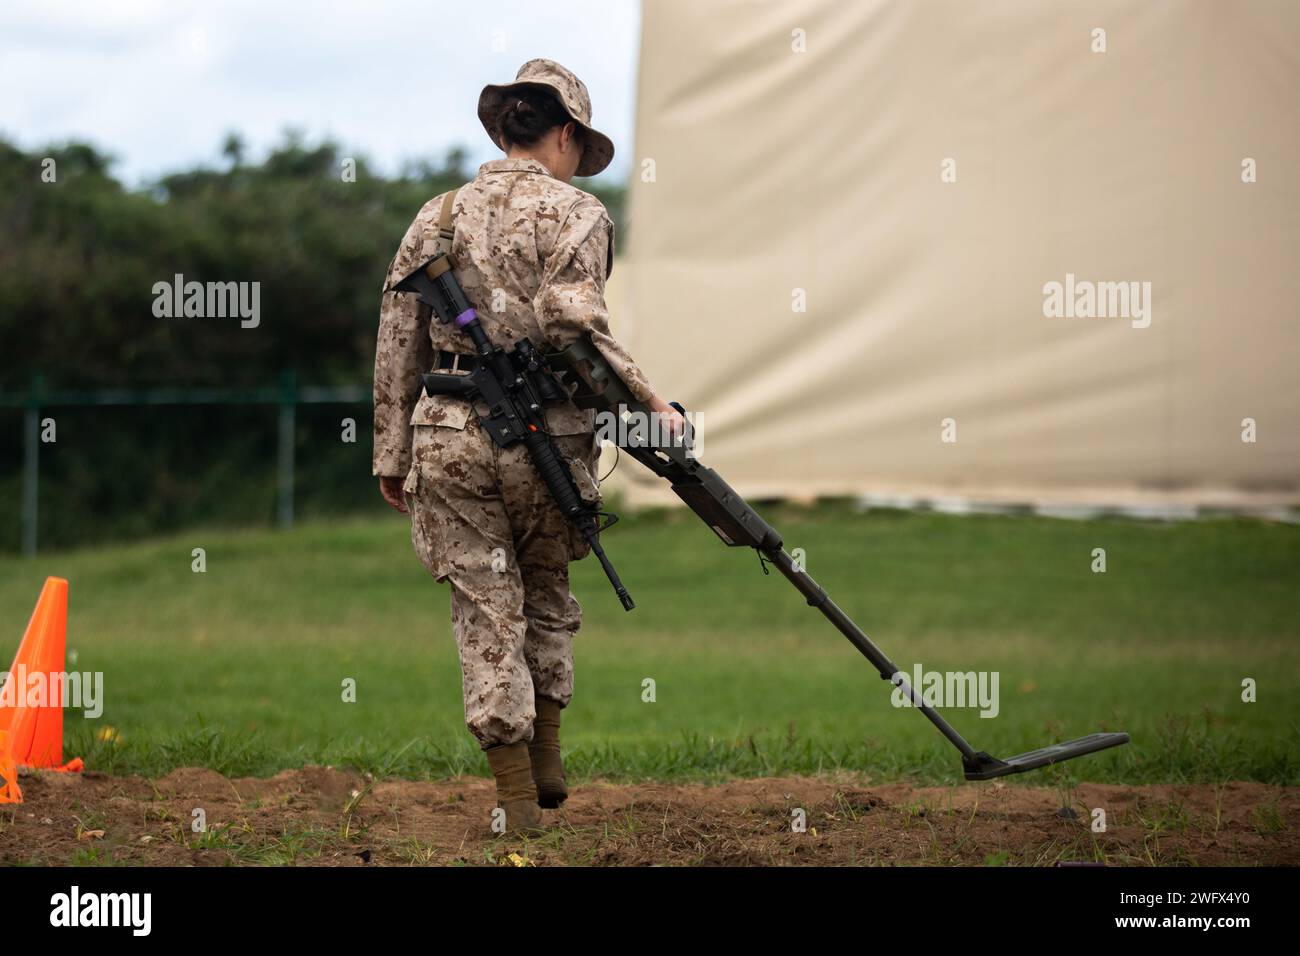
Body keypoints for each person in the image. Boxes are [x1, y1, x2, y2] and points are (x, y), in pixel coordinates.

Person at [372, 59, 683, 834]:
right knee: (546, 591)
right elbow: (575, 323)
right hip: (549, 437)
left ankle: (515, 795)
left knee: (486, 608)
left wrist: (388, 452)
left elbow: (396, 340)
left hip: (446, 435)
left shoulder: (435, 216)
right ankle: (544, 756)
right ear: (567, 132)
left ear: (504, 126)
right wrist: (650, 402)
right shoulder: (578, 213)